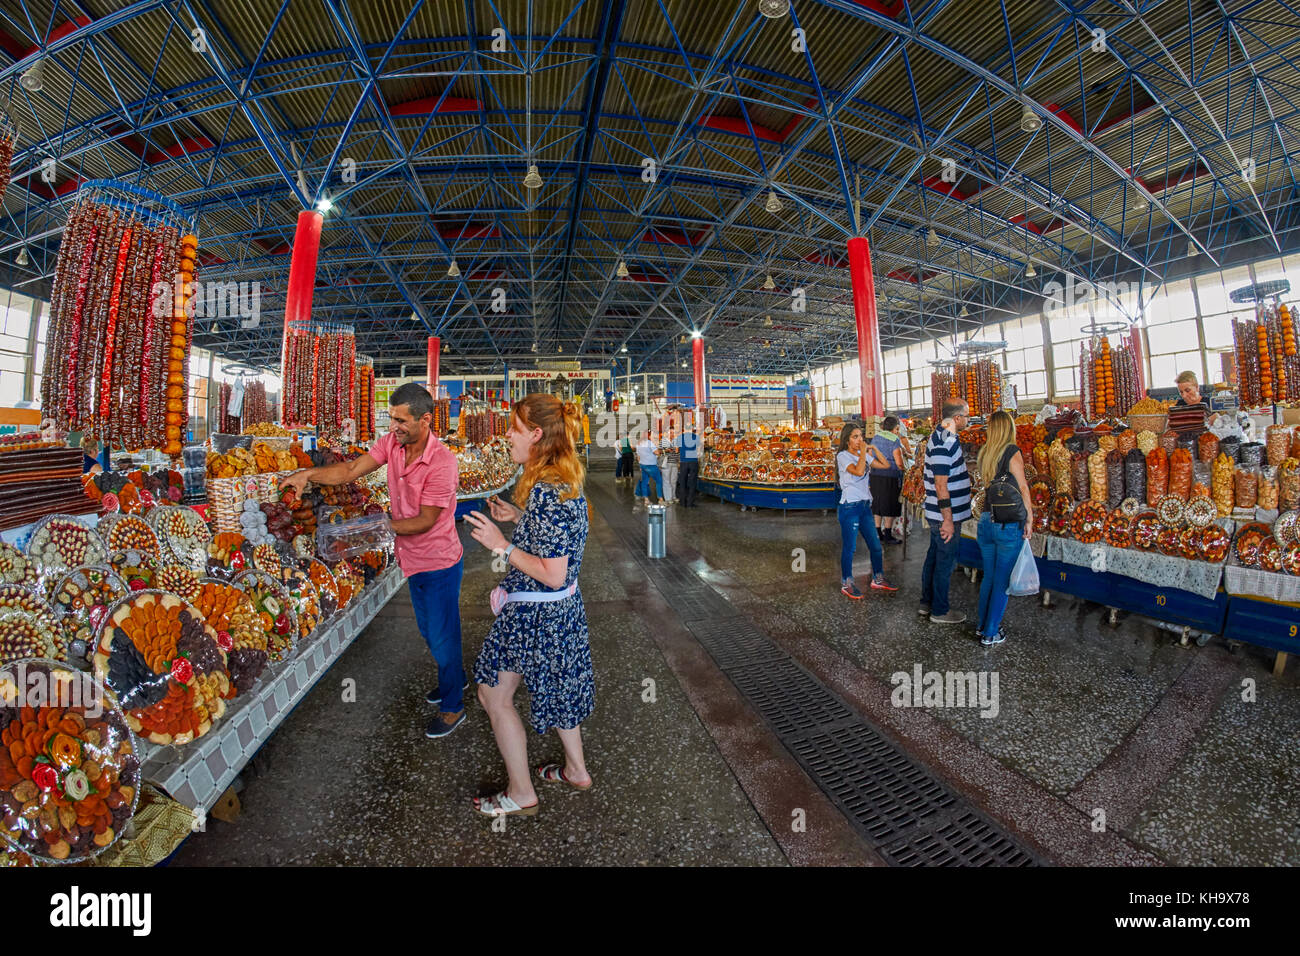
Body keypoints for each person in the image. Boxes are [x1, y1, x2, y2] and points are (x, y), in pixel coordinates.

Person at [280, 382, 467, 738]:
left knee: (442, 635)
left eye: (401, 420)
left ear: (425, 420)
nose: (393, 426)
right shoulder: (392, 445)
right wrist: (308, 474)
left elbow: (426, 520)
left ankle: (453, 706)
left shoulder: (442, 462)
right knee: (431, 631)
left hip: (439, 560)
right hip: (412, 558)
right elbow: (350, 470)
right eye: (391, 418)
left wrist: (372, 530)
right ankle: (452, 677)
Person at [462, 395, 593, 817]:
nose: (508, 436)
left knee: (492, 695)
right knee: (557, 688)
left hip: (537, 614)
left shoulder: (547, 491)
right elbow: (557, 538)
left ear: (536, 435)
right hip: (561, 611)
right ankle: (576, 770)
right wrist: (519, 518)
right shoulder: (560, 480)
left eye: (515, 429)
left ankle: (521, 793)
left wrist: (500, 545)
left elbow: (553, 572)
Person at [973, 410, 1033, 646]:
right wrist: (1029, 518)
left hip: (986, 522)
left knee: (989, 576)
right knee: (1002, 580)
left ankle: (982, 626)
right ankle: (991, 632)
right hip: (1007, 525)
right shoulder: (1011, 452)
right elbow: (1024, 487)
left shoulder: (985, 453)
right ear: (1009, 428)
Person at [921, 399, 972, 624]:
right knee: (944, 562)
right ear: (957, 418)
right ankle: (940, 611)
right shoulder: (944, 441)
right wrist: (948, 520)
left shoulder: (947, 437)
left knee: (934, 557)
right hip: (944, 516)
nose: (969, 420)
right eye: (967, 416)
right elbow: (941, 484)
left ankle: (927, 602)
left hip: (938, 514)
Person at [836, 422, 896, 598]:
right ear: (847, 440)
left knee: (876, 546)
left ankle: (878, 578)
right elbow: (859, 470)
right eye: (855, 437)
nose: (859, 440)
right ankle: (847, 582)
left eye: (861, 436)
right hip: (850, 507)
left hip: (864, 506)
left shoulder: (863, 454)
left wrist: (875, 450)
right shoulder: (843, 456)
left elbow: (885, 465)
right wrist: (863, 453)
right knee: (850, 547)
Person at [869, 417, 906, 542]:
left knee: (878, 504)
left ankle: (878, 533)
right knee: (889, 505)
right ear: (895, 428)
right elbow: (898, 461)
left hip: (875, 475)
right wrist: (903, 469)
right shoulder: (894, 439)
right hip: (890, 477)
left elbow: (869, 456)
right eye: (897, 429)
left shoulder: (876, 437)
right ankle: (888, 535)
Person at [635, 431, 662, 504]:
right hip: (651, 465)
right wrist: (660, 450)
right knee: (659, 481)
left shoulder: (638, 444)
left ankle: (646, 500)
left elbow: (638, 457)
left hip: (643, 465)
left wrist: (640, 465)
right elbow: (657, 453)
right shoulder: (649, 443)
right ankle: (660, 499)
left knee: (644, 482)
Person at [677, 426, 701, 506]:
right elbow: (698, 450)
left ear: (684, 429)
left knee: (682, 482)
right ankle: (690, 503)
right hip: (693, 461)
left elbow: (677, 450)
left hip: (683, 461)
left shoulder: (680, 437)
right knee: (692, 482)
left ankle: (682, 502)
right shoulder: (695, 437)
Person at [659, 429, 679, 504]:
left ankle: (673, 496)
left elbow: (678, 452)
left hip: (674, 463)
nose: (672, 434)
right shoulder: (663, 441)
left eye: (673, 432)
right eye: (671, 432)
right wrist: (666, 451)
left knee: (673, 480)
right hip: (666, 463)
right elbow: (659, 451)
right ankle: (668, 498)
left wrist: (678, 460)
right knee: (666, 481)